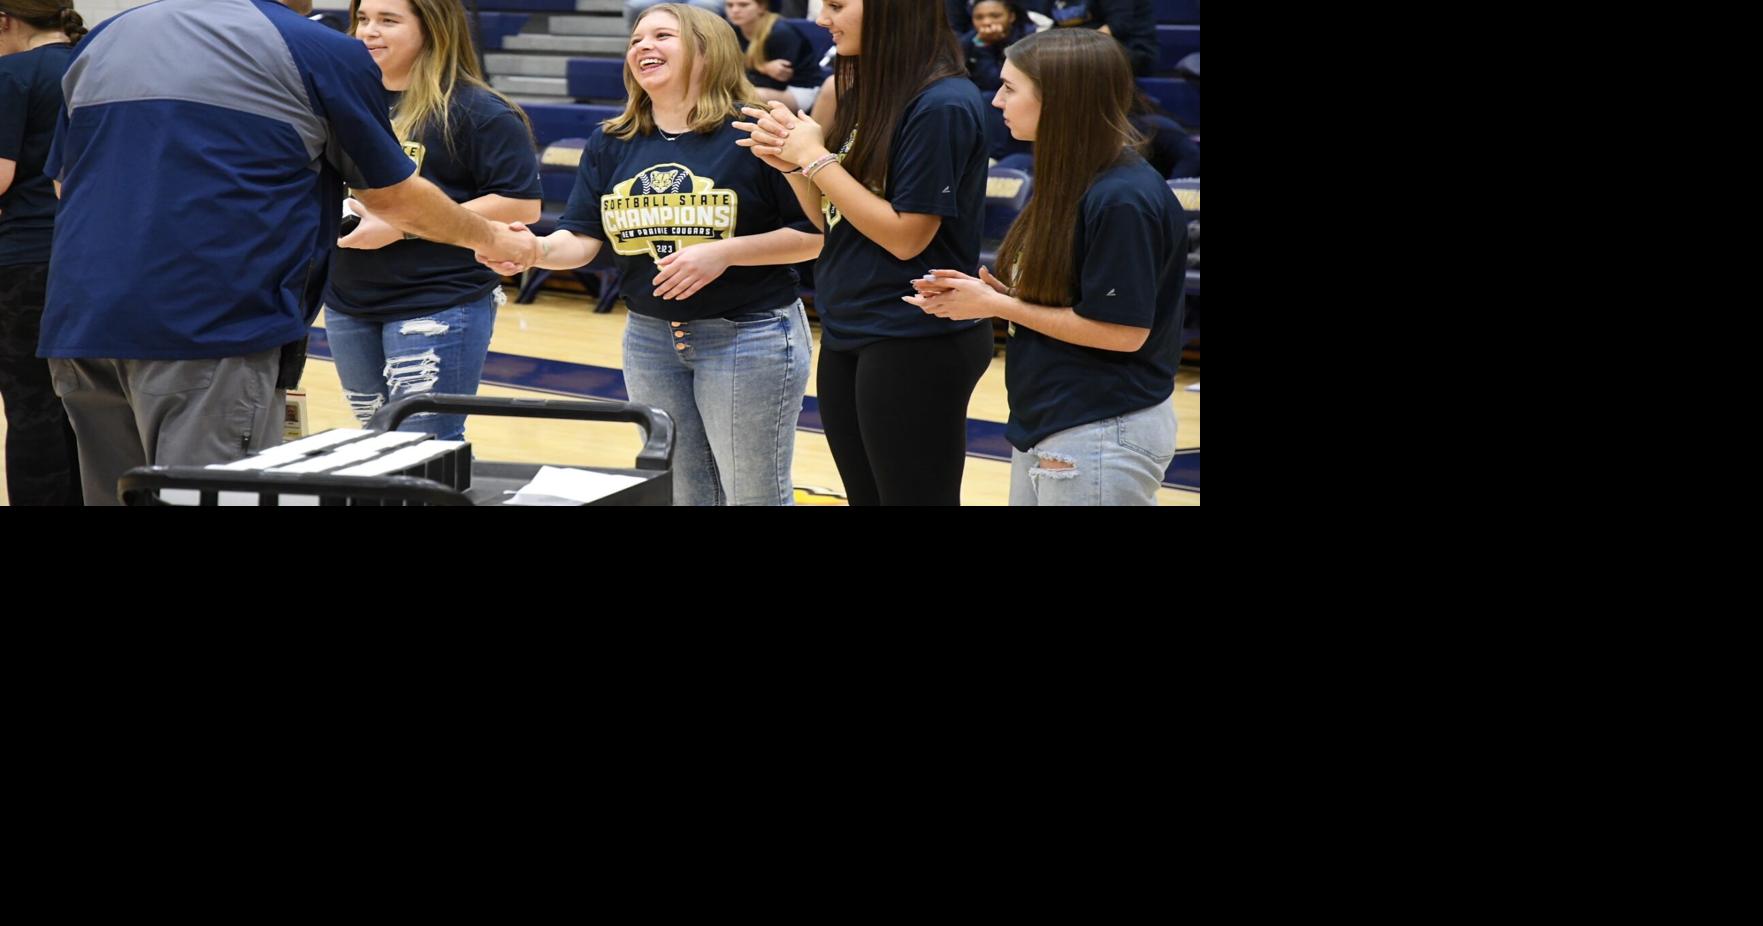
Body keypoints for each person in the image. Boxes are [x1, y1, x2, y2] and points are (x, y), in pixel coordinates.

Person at [38, 0, 534, 504]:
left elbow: (64, 182)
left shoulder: (108, 35)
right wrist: (494, 240)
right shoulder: (317, 48)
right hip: (210, 328)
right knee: (210, 495)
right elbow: (393, 197)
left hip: (81, 320)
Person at [484, 4, 821, 506]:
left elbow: (813, 235)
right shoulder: (610, 140)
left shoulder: (758, 129)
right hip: (648, 338)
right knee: (686, 494)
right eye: (636, 39)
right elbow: (581, 238)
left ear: (707, 51)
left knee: (753, 495)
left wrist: (723, 254)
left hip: (747, 335)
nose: (642, 46)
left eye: (662, 35)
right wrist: (533, 249)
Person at [907, 27, 1186, 505]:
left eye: (1011, 88)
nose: (996, 101)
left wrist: (1001, 305)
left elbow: (1123, 331)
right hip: (1057, 420)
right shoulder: (1073, 177)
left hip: (1098, 427)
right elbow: (1084, 297)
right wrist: (1002, 299)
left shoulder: (1122, 198)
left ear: (1060, 99)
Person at [735, 0, 992, 506]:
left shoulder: (942, 104)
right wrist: (790, 164)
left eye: (836, 5)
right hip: (852, 324)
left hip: (917, 334)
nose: (821, 20)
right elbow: (829, 220)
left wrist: (814, 156)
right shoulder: (863, 93)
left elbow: (905, 236)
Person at [322, 0, 543, 442]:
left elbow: (522, 204)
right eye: (362, 19)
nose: (368, 32)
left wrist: (404, 224)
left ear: (432, 29)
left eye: (388, 20)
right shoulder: (341, 102)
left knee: (426, 446)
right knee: (376, 442)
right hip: (348, 301)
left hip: (438, 300)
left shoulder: (479, 110)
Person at [0, 0, 83, 505]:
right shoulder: (96, 61)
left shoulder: (12, 74)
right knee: (89, 403)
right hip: (93, 255)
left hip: (25, 260)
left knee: (31, 404)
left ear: (4, 19)